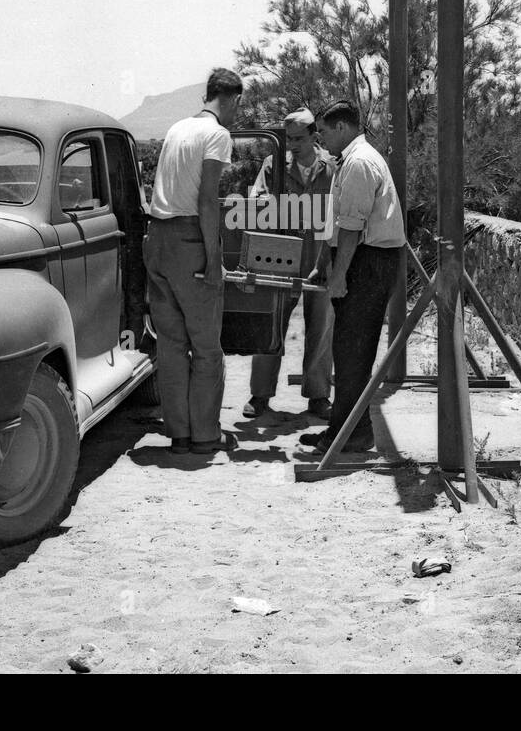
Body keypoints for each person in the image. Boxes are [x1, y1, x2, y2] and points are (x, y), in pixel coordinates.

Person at [144, 68, 243, 454]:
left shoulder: (176, 129)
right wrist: (215, 259)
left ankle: (179, 434)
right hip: (189, 240)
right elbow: (206, 200)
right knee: (205, 347)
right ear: (233, 98)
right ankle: (205, 436)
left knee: (170, 345)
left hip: (157, 239)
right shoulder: (217, 134)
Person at [299, 99, 406, 454]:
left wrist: (340, 274)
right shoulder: (350, 160)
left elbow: (351, 228)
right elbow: (337, 222)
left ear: (342, 128)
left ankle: (351, 434)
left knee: (352, 351)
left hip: (368, 262)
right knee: (348, 351)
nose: (321, 140)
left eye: (325, 132)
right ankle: (344, 430)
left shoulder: (359, 163)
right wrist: (323, 266)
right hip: (362, 259)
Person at [243, 108, 336, 420]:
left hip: (320, 251)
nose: (293, 144)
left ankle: (319, 396)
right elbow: (258, 201)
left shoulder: (331, 166)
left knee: (322, 325)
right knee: (272, 320)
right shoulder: (274, 165)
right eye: (288, 139)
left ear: (314, 135)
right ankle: (260, 395)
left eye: (298, 138)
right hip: (284, 249)